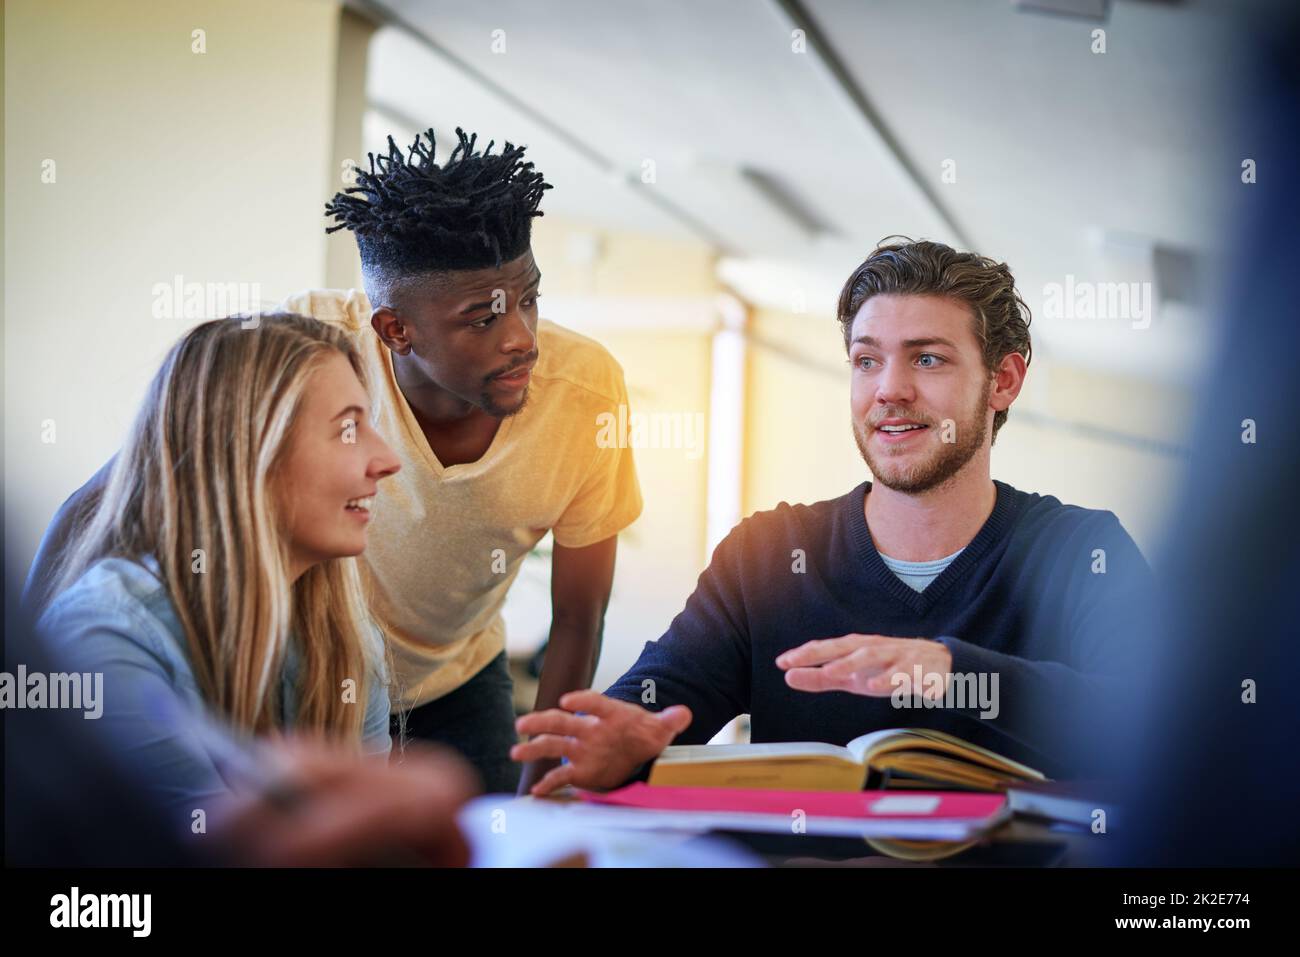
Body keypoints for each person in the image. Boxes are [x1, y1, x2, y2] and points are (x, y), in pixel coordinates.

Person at [513, 238, 1153, 796]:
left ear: (1004, 381)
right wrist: (619, 739)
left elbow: (1157, 724)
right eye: (867, 360)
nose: (888, 389)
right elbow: (650, 704)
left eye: (927, 358)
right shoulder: (768, 555)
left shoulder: (1082, 552)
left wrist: (952, 670)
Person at [281, 127, 643, 793]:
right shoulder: (308, 348)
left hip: (458, 678)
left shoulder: (587, 393)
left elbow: (579, 614)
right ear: (394, 330)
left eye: (528, 299)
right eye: (482, 320)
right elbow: (163, 471)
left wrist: (543, 778)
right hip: (308, 670)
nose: (522, 339)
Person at [33, 313, 404, 833]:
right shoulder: (104, 638)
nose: (388, 459)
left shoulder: (342, 635)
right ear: (245, 449)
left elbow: (372, 844)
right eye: (349, 428)